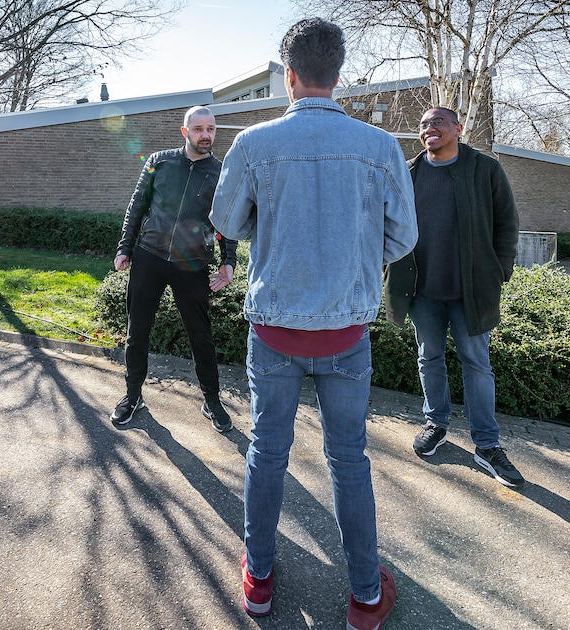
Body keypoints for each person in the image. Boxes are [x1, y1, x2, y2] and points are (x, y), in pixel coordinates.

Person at [210, 18, 417, 629]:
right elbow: (402, 237)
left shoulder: (253, 143)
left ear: (291, 75)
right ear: (339, 73)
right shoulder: (379, 147)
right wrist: (353, 254)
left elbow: (228, 220)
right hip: (346, 334)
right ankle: (363, 598)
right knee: (349, 460)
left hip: (273, 330)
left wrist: (275, 234)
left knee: (267, 453)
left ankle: (260, 584)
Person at [383, 106, 525, 487]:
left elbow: (507, 222)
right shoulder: (408, 173)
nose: (430, 128)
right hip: (422, 290)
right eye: (424, 124)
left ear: (458, 129)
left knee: (476, 363)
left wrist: (499, 270)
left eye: (438, 122)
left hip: (471, 289)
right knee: (429, 358)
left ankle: (487, 445)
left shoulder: (485, 169)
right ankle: (436, 423)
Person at [111, 106, 238, 432]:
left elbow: (224, 221)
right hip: (150, 257)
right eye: (198, 129)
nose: (206, 135)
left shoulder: (220, 171)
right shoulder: (158, 162)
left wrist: (228, 262)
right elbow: (137, 205)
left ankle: (211, 401)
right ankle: (133, 395)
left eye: (210, 128)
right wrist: (125, 248)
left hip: (192, 264)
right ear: (185, 132)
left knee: (201, 338)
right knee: (137, 332)